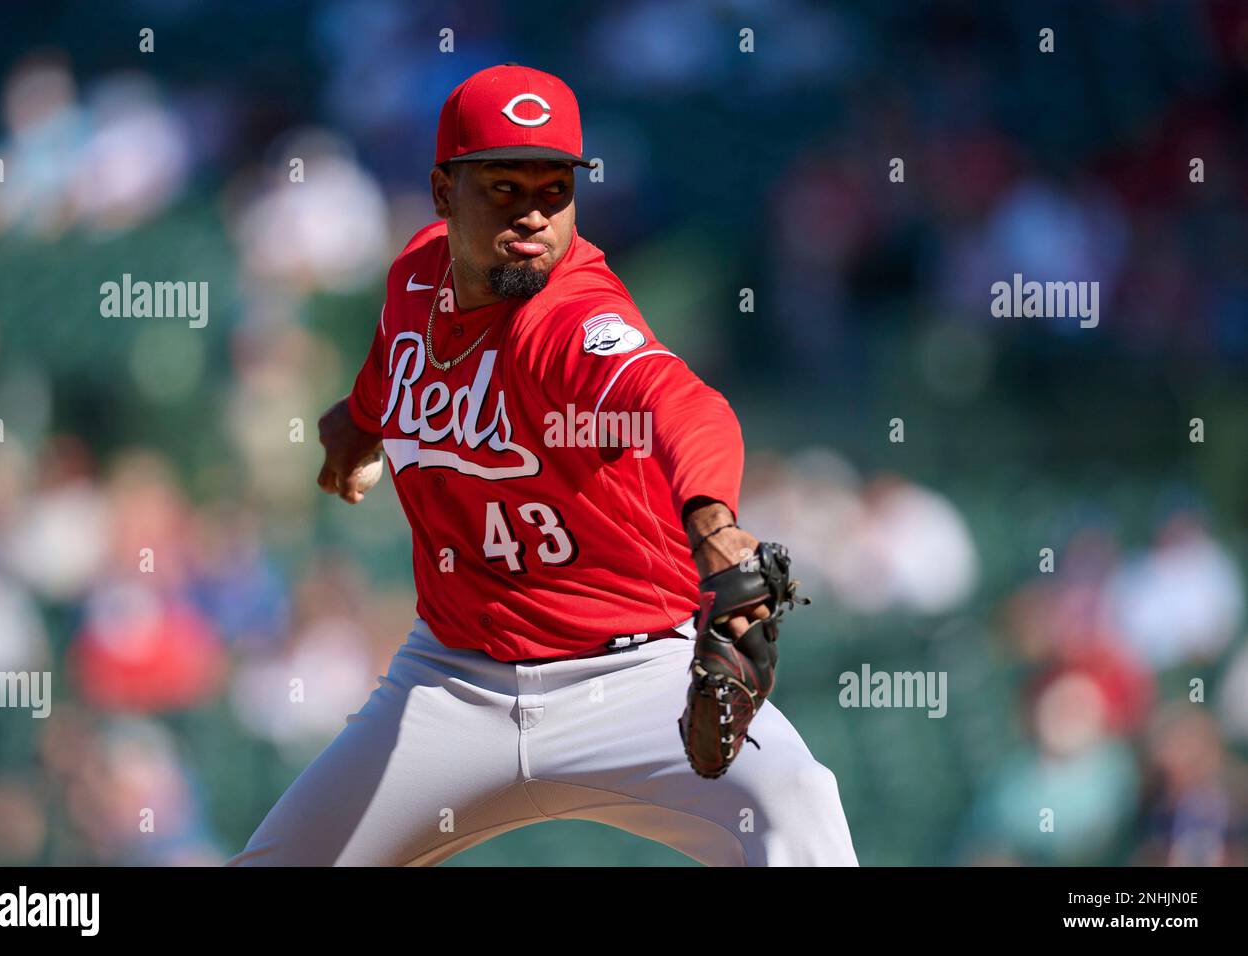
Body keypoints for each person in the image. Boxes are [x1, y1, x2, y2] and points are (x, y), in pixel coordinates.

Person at [228, 64, 857, 866]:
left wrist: (712, 521)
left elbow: (682, 401)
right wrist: (357, 423)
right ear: (442, 192)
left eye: (554, 189)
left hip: (636, 678)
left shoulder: (570, 319)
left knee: (798, 807)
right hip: (450, 684)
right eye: (503, 186)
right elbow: (394, 365)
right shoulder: (415, 278)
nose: (533, 215)